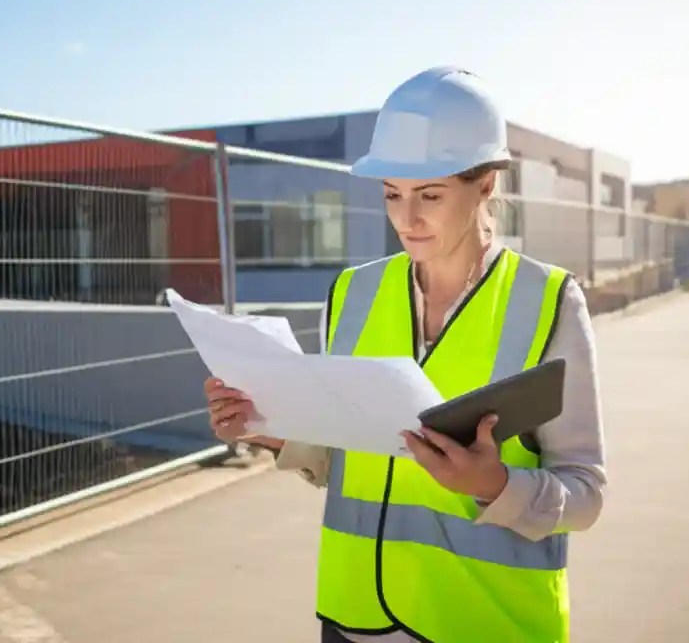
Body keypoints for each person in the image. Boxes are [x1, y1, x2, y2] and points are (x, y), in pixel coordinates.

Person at [203, 67, 607, 642]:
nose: (406, 218)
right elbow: (344, 460)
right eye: (392, 194)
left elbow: (585, 495)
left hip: (483, 622)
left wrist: (493, 483)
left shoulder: (549, 300)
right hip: (355, 617)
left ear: (486, 183)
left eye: (431, 195)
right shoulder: (353, 292)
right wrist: (269, 428)